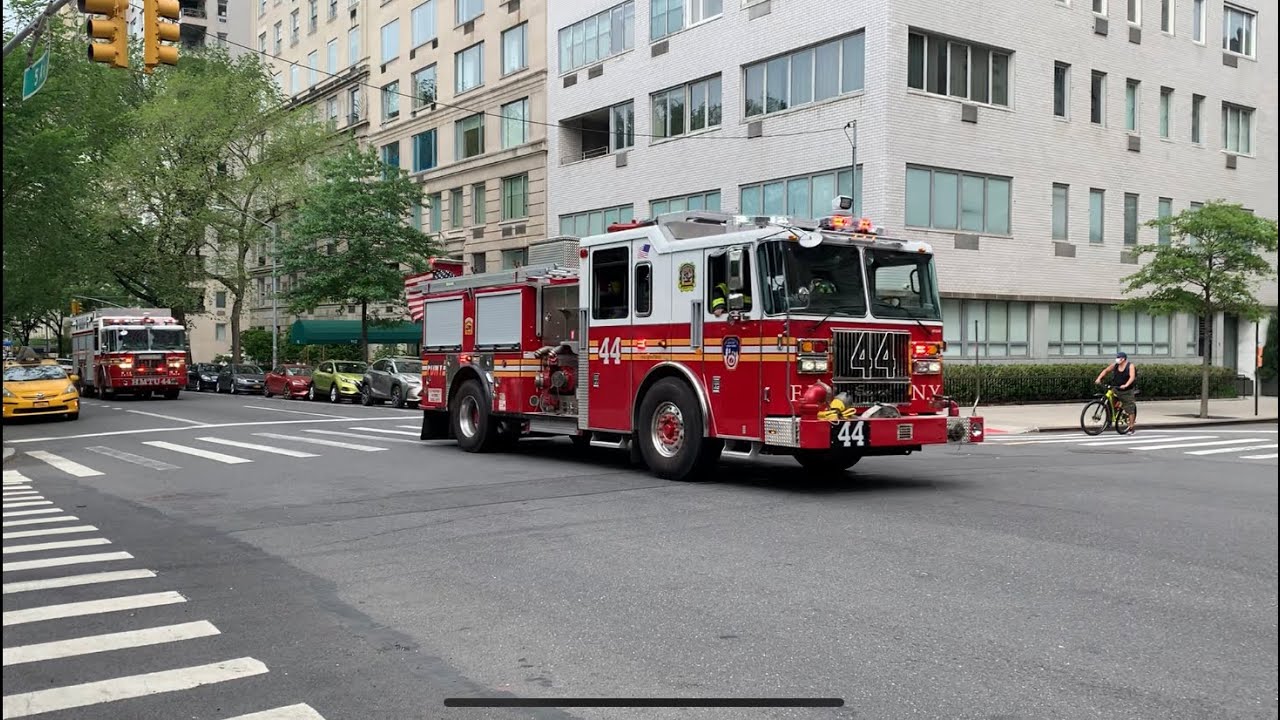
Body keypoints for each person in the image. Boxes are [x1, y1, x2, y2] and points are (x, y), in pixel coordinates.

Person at [1095, 351, 1137, 433]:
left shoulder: (1130, 366)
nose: (1117, 359)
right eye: (1117, 357)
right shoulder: (1115, 365)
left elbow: (1132, 377)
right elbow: (1106, 370)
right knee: (1109, 400)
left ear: (1123, 359)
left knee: (1130, 408)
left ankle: (1131, 427)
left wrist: (1126, 384)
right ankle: (1109, 420)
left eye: (1119, 358)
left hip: (1126, 391)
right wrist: (1099, 378)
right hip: (1116, 388)